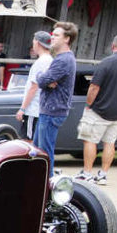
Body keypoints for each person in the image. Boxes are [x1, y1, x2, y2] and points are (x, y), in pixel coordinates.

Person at [75, 34, 117, 185]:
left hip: (98, 110)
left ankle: (87, 173)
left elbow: (94, 87)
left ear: (113, 46)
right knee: (110, 143)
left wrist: (89, 105)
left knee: (89, 140)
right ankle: (103, 174)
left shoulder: (106, 62)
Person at [35, 22, 79, 177]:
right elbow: (45, 80)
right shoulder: (61, 58)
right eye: (52, 35)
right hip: (49, 110)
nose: (52, 38)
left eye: (56, 35)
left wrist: (43, 78)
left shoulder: (63, 60)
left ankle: (48, 185)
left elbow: (41, 80)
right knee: (37, 151)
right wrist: (46, 79)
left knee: (44, 153)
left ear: (67, 39)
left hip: (52, 111)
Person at [15, 31, 53, 138]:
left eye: (33, 41)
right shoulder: (49, 60)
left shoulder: (41, 62)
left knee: (28, 140)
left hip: (33, 109)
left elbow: (34, 87)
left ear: (38, 43)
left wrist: (23, 108)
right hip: (41, 107)